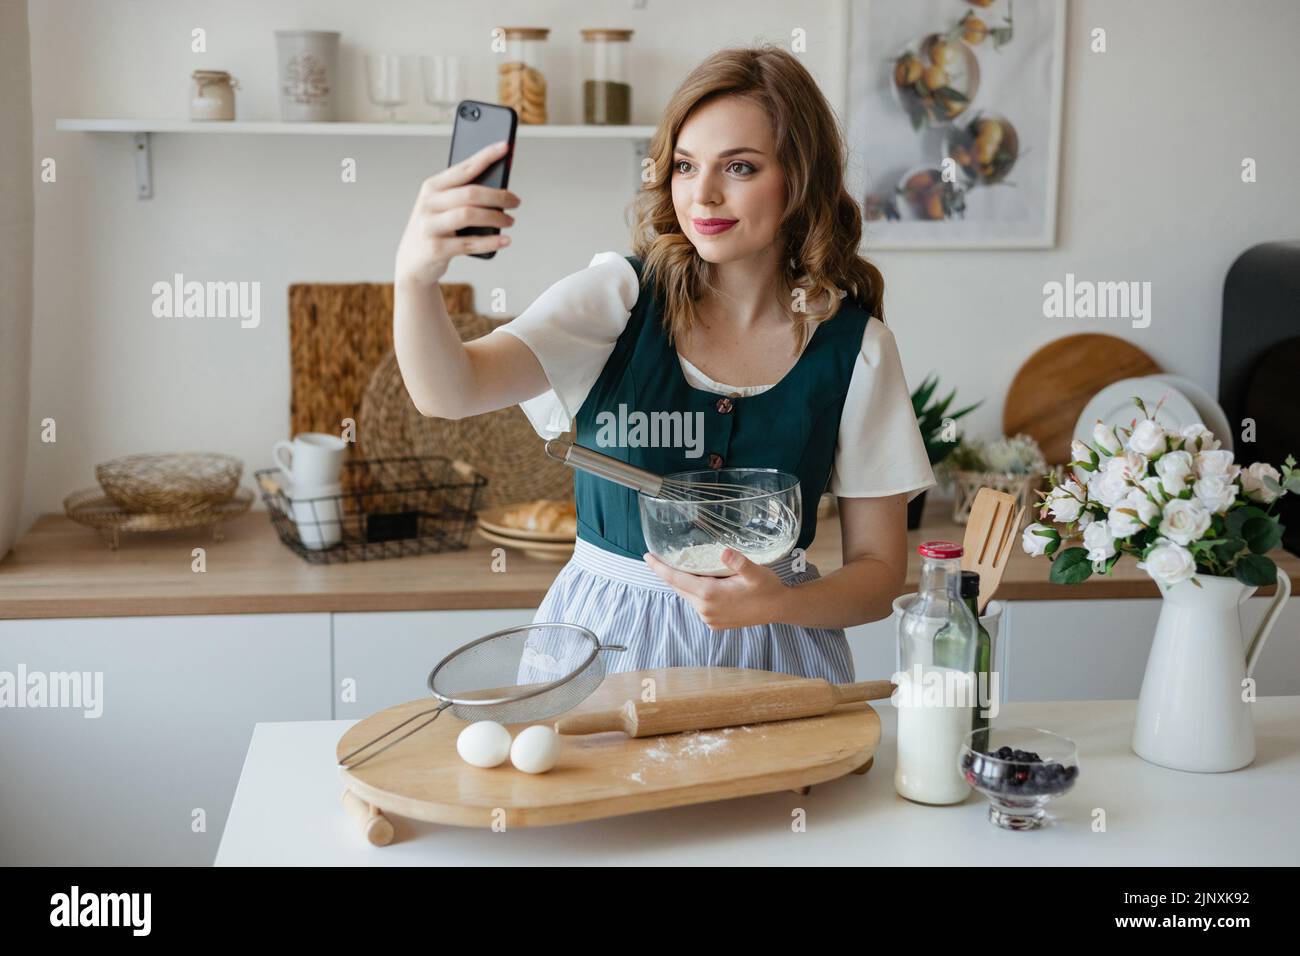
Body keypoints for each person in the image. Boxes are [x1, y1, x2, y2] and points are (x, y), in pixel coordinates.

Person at [393, 46, 935, 683]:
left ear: (801, 180)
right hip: (607, 648)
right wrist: (415, 277)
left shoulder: (857, 349)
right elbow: (451, 391)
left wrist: (779, 603)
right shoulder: (616, 299)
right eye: (684, 165)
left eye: (739, 166)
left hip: (776, 657)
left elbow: (878, 575)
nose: (702, 193)